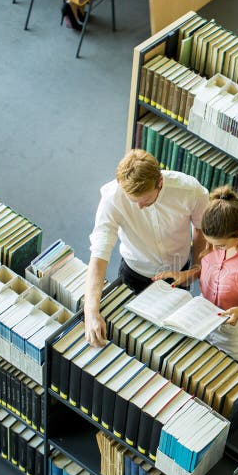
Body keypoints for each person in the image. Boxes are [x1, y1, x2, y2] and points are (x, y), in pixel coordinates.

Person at [84, 149, 208, 347]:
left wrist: (196, 269)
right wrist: (90, 312)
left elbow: (201, 229)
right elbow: (98, 257)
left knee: (170, 344)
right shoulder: (112, 199)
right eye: (134, 202)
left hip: (178, 274)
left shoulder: (190, 190)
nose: (140, 207)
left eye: (146, 201)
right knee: (130, 340)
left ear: (160, 181)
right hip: (134, 275)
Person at [155, 186, 238, 365]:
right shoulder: (216, 239)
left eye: (219, 246)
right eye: (210, 243)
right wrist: (188, 274)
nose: (213, 247)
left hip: (232, 332)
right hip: (202, 317)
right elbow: (210, 267)